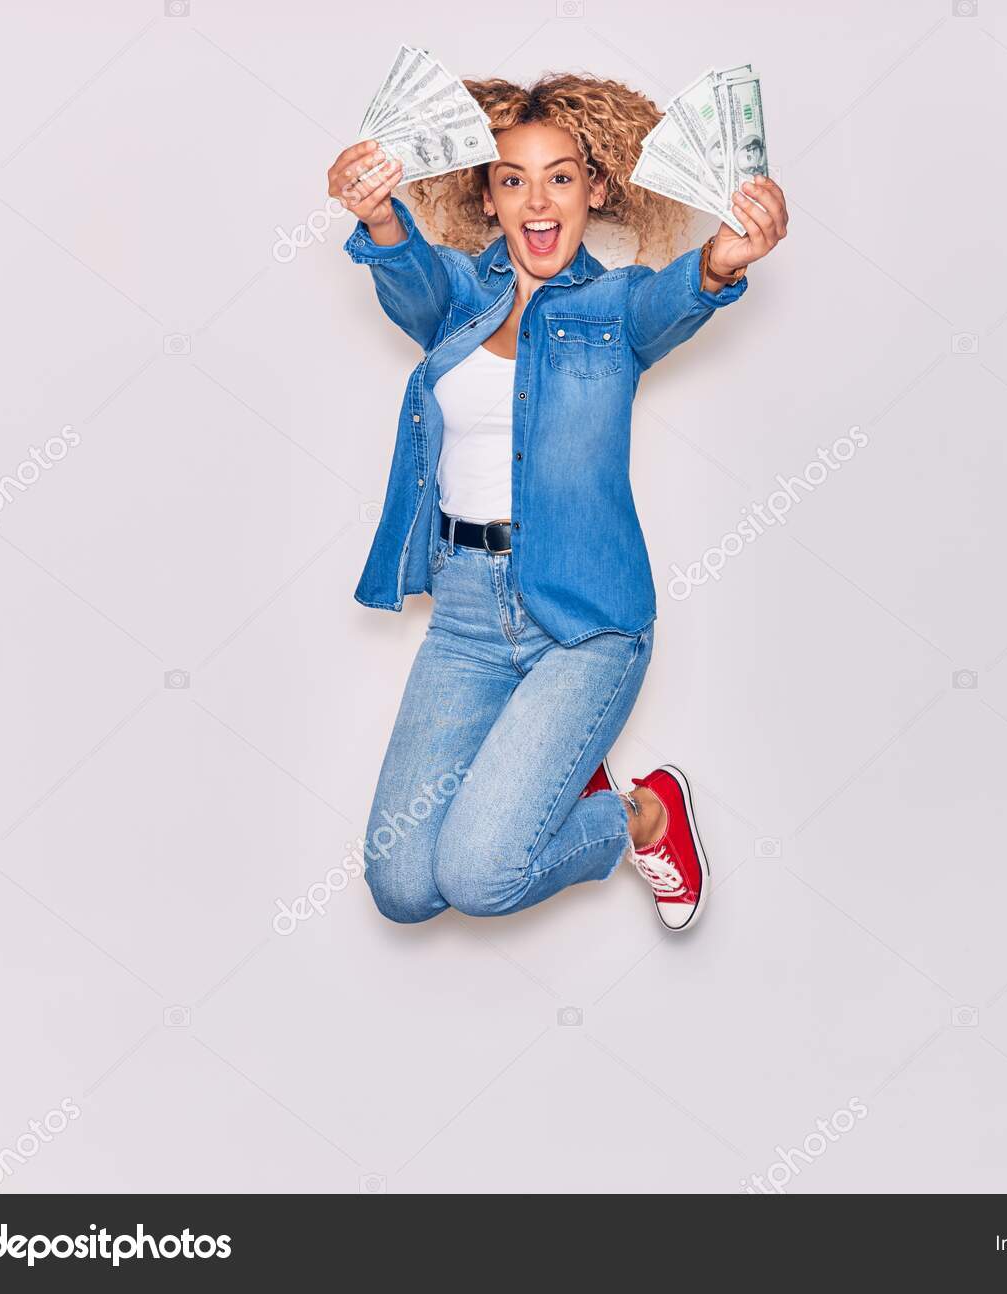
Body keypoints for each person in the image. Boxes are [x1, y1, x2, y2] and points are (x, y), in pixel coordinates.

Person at [328, 72, 788, 932]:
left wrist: (728, 255)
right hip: (465, 617)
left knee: (479, 875)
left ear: (596, 188)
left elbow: (679, 292)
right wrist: (378, 211)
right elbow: (408, 275)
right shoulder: (461, 297)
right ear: (490, 195)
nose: (538, 200)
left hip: (585, 618)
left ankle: (644, 812)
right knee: (402, 887)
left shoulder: (616, 310)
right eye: (513, 178)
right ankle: (554, 771)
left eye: (561, 176)